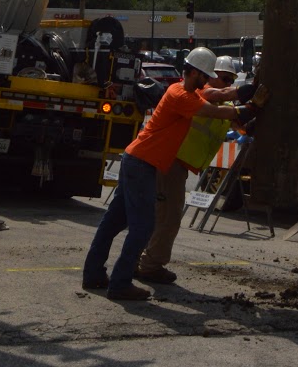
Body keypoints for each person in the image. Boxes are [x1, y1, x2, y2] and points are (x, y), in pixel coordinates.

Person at [82, 46, 240, 303]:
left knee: (113, 222)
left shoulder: (182, 91)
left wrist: (244, 95)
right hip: (143, 163)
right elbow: (218, 110)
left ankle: (94, 275)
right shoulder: (183, 96)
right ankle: (120, 283)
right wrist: (247, 107)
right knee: (143, 227)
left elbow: (222, 97)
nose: (206, 80)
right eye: (205, 75)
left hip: (137, 160)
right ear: (196, 73)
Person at [136, 54, 240, 285]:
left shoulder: (220, 103)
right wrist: (244, 96)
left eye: (231, 80)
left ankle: (140, 261)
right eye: (223, 78)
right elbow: (218, 97)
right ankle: (150, 266)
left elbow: (235, 120)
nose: (227, 84)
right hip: (172, 162)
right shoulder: (200, 94)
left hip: (179, 165)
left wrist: (249, 113)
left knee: (160, 214)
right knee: (169, 217)